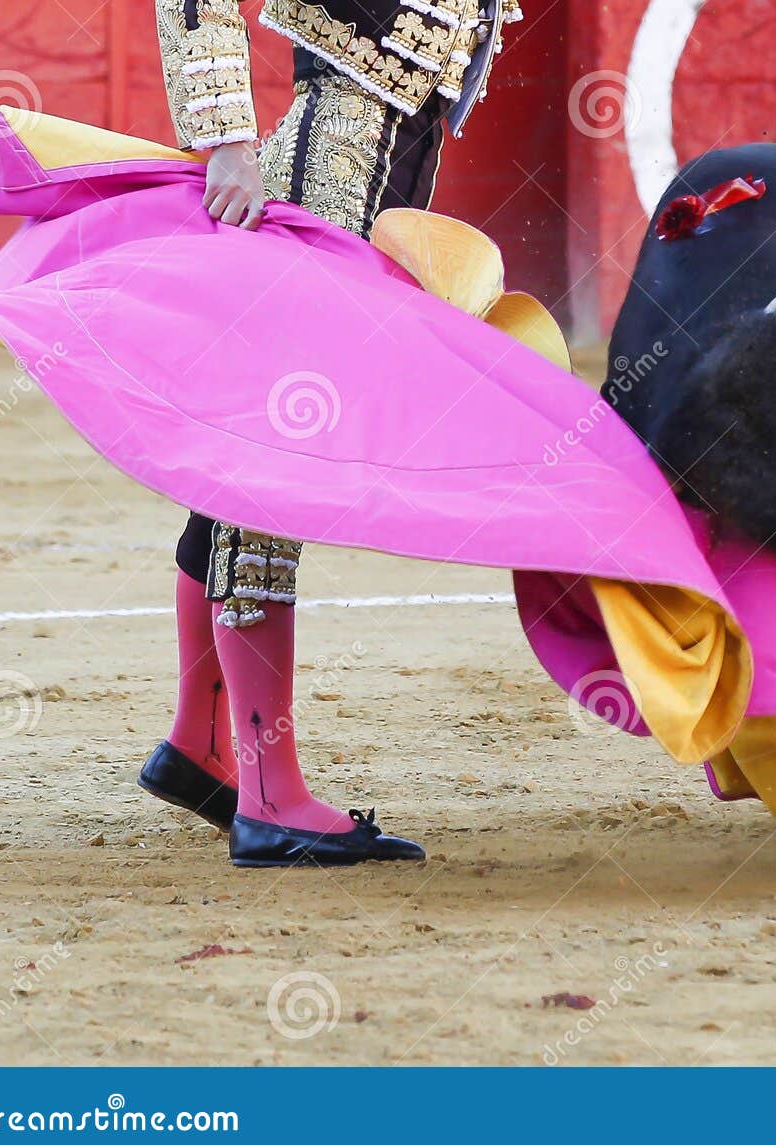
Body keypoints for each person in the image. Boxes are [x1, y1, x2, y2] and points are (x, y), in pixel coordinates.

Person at [135, 0, 523, 867]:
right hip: (335, 161)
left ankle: (201, 743)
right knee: (276, 462)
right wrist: (226, 136)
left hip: (387, 163)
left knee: (268, 457)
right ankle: (272, 799)